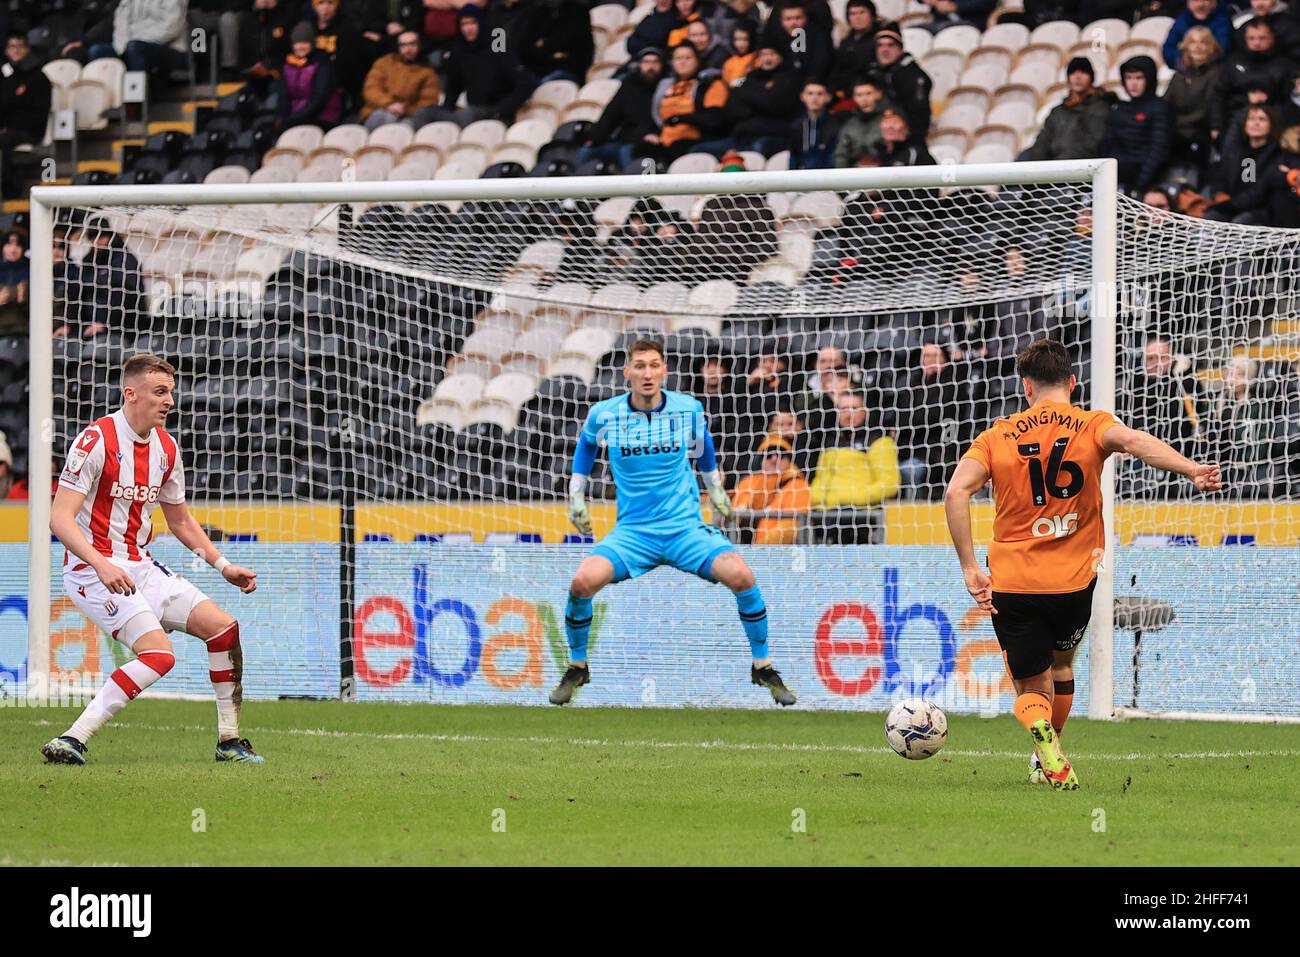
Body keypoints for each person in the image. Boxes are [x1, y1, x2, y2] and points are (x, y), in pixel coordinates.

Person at [944, 339, 1222, 791]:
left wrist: (970, 567)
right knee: (1061, 666)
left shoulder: (996, 436)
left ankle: (1046, 749)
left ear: (1026, 386)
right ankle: (1045, 757)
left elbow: (956, 492)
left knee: (1030, 683)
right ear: (1072, 382)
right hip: (1074, 581)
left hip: (1013, 581)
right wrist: (1190, 469)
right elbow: (1135, 442)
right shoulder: (1092, 424)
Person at [40, 354, 266, 767]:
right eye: (160, 392)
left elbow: (179, 519)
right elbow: (59, 518)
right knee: (159, 656)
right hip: (91, 571)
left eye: (171, 393)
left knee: (223, 630)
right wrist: (102, 565)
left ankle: (229, 742)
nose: (169, 401)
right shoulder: (96, 441)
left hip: (140, 566)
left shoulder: (166, 447)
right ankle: (72, 738)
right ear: (131, 394)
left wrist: (222, 565)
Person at [553, 338, 798, 707]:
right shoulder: (605, 414)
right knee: (582, 582)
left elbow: (703, 448)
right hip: (633, 533)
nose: (647, 373)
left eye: (654, 365)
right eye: (640, 366)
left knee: (742, 577)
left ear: (664, 371)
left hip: (684, 528)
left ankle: (762, 665)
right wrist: (576, 495)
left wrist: (715, 489)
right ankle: (577, 665)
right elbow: (587, 446)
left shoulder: (688, 409)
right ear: (627, 373)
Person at [808, 388, 901, 542]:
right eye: (843, 409)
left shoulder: (879, 441)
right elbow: (819, 478)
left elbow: (889, 484)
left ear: (866, 412)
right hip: (824, 511)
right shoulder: (830, 442)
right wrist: (816, 497)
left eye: (854, 408)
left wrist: (852, 498)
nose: (848, 413)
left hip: (859, 514)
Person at [425, 4, 538, 126]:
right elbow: (454, 85)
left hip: (496, 113)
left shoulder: (497, 43)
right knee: (424, 114)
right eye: (463, 24)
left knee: (467, 115)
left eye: (472, 23)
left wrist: (500, 110)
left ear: (481, 23)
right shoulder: (460, 48)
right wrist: (446, 110)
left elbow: (525, 84)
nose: (468, 28)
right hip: (473, 110)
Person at [1206, 103, 1300, 225]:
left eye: (1262, 119)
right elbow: (1220, 175)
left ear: (1271, 125)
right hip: (1233, 205)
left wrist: (1228, 205)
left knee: (1241, 223)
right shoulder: (1235, 150)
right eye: (1251, 119)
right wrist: (1219, 194)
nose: (1255, 123)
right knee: (1209, 218)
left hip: (1261, 211)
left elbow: (1258, 192)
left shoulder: (1278, 154)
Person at [638, 42, 729, 163]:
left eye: (688, 58)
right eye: (678, 58)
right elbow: (657, 117)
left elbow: (714, 119)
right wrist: (653, 133)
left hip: (696, 140)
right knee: (641, 150)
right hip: (664, 141)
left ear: (697, 60)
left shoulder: (710, 84)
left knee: (676, 149)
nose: (683, 62)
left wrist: (681, 118)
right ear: (672, 62)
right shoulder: (664, 86)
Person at [578, 47, 665, 170]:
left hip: (645, 142)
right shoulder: (629, 85)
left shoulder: (666, 86)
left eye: (655, 62)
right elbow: (611, 114)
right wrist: (594, 138)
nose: (650, 66)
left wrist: (656, 134)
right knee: (586, 152)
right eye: (646, 62)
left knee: (626, 152)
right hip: (624, 139)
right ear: (639, 64)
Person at [1211, 18, 1294, 142]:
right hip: (1235, 123)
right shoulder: (1233, 62)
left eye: (1262, 38)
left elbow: (1290, 103)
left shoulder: (1286, 66)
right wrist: (1216, 126)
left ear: (1271, 38)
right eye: (1251, 38)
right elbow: (1219, 96)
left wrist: (1265, 102)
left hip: (1274, 128)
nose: (1256, 43)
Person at [1023, 57, 1116, 163]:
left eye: (1083, 72)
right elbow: (1042, 143)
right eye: (1073, 73)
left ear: (1091, 78)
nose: (1078, 77)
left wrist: (1059, 166)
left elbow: (1092, 145)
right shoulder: (1058, 112)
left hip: (1081, 169)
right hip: (1054, 168)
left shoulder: (1100, 108)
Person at [1101, 56, 1171, 194]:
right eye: (1128, 77)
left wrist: (1139, 186)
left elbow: (1157, 152)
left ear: (1149, 79)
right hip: (1116, 180)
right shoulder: (1119, 109)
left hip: (1146, 183)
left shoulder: (1161, 108)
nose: (1133, 83)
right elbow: (1107, 147)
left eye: (1139, 78)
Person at [730, 436, 812, 544]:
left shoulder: (798, 486)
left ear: (789, 461)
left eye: (780, 455)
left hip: (781, 553)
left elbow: (791, 526)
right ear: (760, 460)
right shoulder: (748, 483)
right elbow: (731, 518)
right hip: (743, 550)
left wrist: (760, 549)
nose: (774, 459)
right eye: (768, 455)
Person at [1163, 26, 1224, 169]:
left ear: (1211, 47)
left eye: (1203, 42)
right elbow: (1165, 104)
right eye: (1193, 42)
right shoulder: (1179, 74)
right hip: (1176, 130)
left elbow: (1209, 108)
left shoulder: (1217, 73)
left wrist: (1179, 123)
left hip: (1200, 132)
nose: (1198, 47)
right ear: (1186, 47)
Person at [87, 0, 192, 80]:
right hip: (131, 45)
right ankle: (104, 101)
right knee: (97, 51)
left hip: (171, 48)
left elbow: (171, 28)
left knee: (136, 47)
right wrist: (123, 45)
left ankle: (135, 103)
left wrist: (136, 39)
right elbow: (120, 22)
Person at [360, 29, 440, 130]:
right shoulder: (383, 63)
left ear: (419, 45)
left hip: (408, 116)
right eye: (403, 45)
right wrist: (390, 104)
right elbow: (370, 90)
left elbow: (429, 102)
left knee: (406, 127)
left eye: (412, 44)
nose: (408, 49)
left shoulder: (427, 71)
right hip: (379, 110)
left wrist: (405, 109)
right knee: (385, 117)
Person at [274, 22, 344, 130]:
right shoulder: (288, 65)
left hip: (322, 117)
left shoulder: (323, 63)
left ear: (312, 44)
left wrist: (292, 120)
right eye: (297, 43)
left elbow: (319, 99)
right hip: (296, 117)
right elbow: (284, 96)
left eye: (304, 42)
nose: (300, 47)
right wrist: (281, 118)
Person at [871, 23, 932, 139]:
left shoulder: (912, 75)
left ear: (900, 48)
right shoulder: (873, 72)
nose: (884, 50)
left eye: (890, 45)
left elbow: (918, 114)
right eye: (880, 45)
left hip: (904, 136)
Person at [833, 74, 892, 167]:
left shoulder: (892, 119)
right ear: (854, 98)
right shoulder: (850, 124)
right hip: (856, 177)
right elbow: (841, 156)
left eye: (868, 93)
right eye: (859, 95)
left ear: (878, 94)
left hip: (887, 175)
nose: (864, 99)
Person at [1163, 0, 1233, 70]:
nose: (1200, 4)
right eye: (1196, 1)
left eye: (1205, 0)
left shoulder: (1222, 21)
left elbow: (1222, 48)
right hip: (1186, 68)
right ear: (1188, 3)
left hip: (1215, 69)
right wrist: (1185, 57)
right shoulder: (1182, 20)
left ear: (1214, 3)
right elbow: (1168, 49)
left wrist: (1200, 57)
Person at [831, 0, 878, 103]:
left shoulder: (880, 40)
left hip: (866, 93)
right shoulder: (846, 41)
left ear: (872, 15)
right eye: (852, 13)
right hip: (843, 93)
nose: (857, 17)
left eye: (862, 12)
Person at [790, 78, 843, 168]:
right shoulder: (797, 126)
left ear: (828, 97)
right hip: (801, 178)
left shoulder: (836, 125)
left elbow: (835, 158)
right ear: (802, 97)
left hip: (828, 177)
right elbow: (793, 157)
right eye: (810, 93)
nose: (815, 98)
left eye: (820, 94)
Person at [721, 20, 756, 87]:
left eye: (745, 39)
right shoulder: (729, 63)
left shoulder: (757, 59)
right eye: (737, 39)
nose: (741, 44)